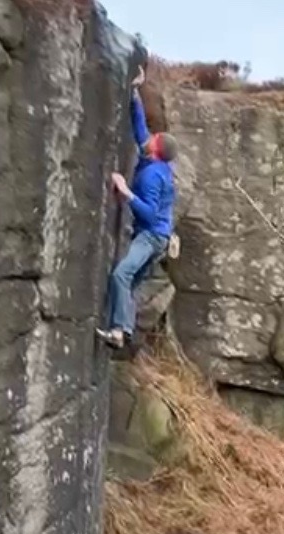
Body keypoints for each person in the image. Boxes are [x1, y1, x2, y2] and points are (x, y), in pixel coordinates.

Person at [96, 66, 179, 349]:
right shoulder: (156, 161)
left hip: (152, 236)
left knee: (121, 275)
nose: (149, 138)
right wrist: (134, 91)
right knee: (127, 286)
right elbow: (140, 127)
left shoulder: (155, 175)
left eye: (153, 140)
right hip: (159, 236)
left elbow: (150, 213)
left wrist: (127, 191)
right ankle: (120, 331)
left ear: (156, 150)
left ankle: (120, 330)